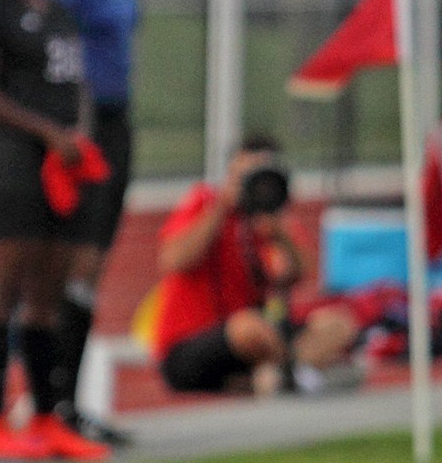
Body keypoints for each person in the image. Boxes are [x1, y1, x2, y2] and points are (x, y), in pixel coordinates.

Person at [0, 0, 112, 462]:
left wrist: (73, 137)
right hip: (13, 163)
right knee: (5, 280)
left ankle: (48, 415)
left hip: (60, 166)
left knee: (50, 286)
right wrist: (45, 131)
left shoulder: (60, 14)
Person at [37, 0, 140, 445]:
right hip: (86, 123)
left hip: (113, 120)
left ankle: (66, 405)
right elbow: (58, 37)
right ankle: (51, 405)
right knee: (73, 262)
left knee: (90, 263)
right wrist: (72, 126)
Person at [152, 135, 359, 396]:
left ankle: (277, 376)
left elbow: (300, 273)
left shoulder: (269, 217)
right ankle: (297, 374)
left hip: (258, 341)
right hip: (193, 345)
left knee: (339, 324)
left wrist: (279, 235)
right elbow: (173, 260)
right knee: (246, 328)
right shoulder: (205, 202)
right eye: (247, 176)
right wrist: (219, 209)